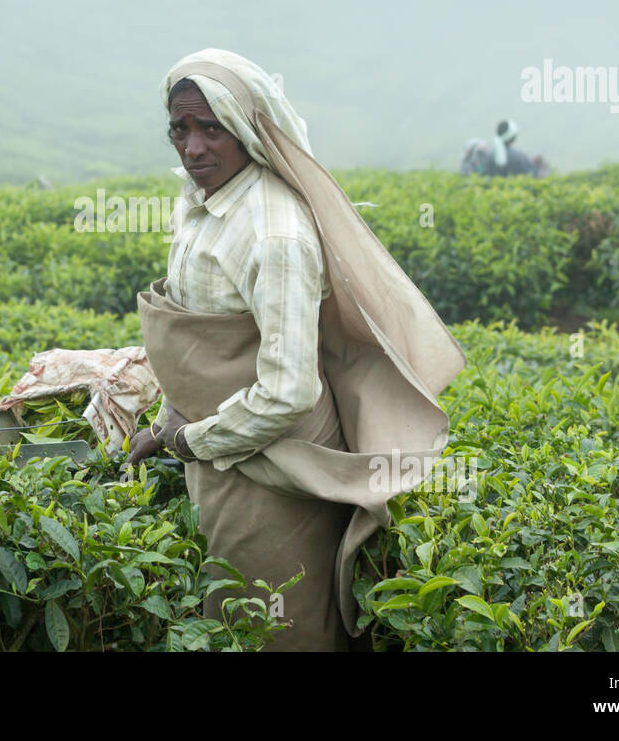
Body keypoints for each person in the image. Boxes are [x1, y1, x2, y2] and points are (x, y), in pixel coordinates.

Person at [131, 48, 467, 652]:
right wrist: (166, 424)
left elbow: (288, 390)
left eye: (212, 128)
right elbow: (196, 338)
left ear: (248, 129)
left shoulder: (274, 233)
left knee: (275, 626)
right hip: (222, 448)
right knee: (229, 617)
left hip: (273, 462)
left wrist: (192, 439)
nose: (193, 147)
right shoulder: (201, 204)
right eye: (179, 128)